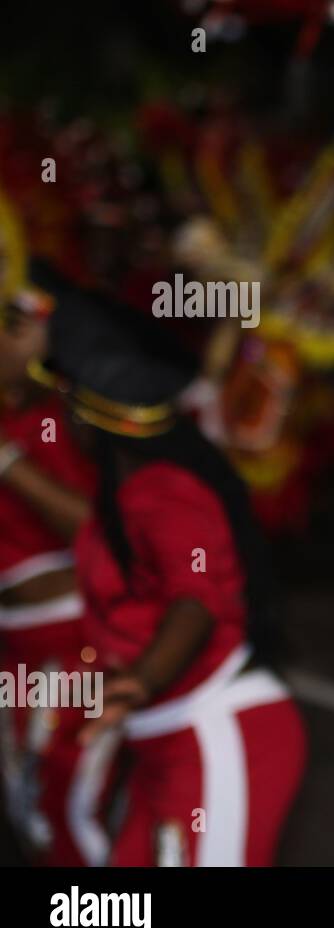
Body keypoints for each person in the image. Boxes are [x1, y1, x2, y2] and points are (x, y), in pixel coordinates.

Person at [28, 278, 307, 866]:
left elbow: (194, 603)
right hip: (164, 742)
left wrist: (143, 678)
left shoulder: (165, 495)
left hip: (217, 733)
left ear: (88, 425)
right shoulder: (128, 493)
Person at [0, 260, 120, 865]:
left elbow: (90, 525)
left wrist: (7, 462)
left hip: (71, 640)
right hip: (15, 646)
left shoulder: (50, 417)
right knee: (27, 806)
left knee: (70, 808)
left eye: (14, 327)